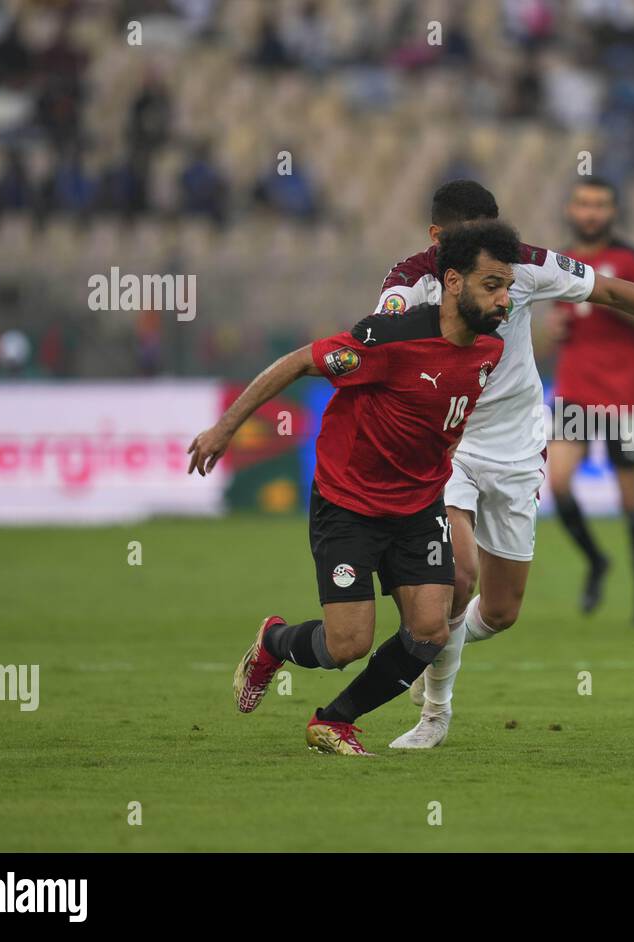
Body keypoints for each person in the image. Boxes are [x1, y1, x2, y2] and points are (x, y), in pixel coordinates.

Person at [379, 179, 634, 749]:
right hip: (446, 445)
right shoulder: (408, 283)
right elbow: (377, 346)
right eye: (468, 240)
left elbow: (610, 292)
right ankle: (435, 713)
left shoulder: (523, 265)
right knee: (458, 575)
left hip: (517, 447)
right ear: (438, 238)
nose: (488, 255)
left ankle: (435, 644)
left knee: (501, 611)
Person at [186, 221, 518, 755]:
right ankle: (273, 642)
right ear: (452, 281)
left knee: (430, 632)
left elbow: (441, 414)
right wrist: (225, 428)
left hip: (417, 506)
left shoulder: (490, 350)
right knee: (347, 646)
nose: (504, 300)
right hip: (350, 504)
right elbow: (299, 362)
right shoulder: (389, 338)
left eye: (508, 287)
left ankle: (335, 719)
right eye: (492, 285)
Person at [547, 176, 634, 624]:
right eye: (584, 204)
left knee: (631, 501)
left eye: (600, 204)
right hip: (576, 394)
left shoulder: (632, 261)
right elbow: (546, 331)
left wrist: (615, 301)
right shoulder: (558, 263)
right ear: (571, 210)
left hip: (624, 399)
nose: (591, 213)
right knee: (558, 484)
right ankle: (597, 561)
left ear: (612, 212)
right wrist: (551, 331)